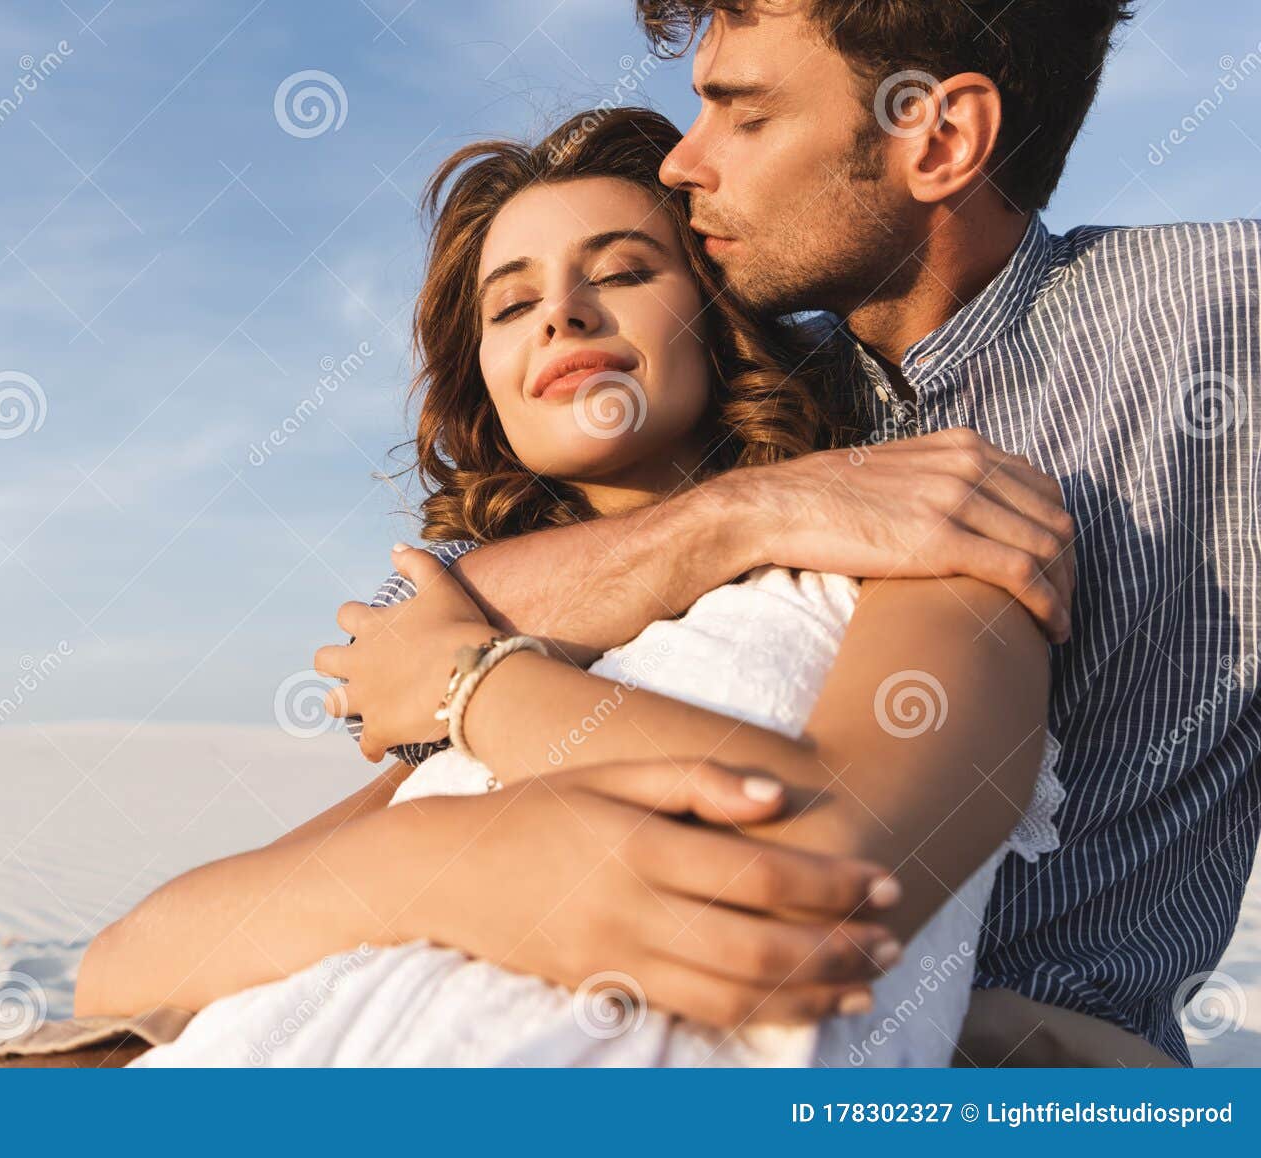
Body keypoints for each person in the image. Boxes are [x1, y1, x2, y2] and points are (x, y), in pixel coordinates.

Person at [344, 0, 1259, 1064]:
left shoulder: (1219, 325)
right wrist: (753, 511)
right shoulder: (760, 381)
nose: (685, 165)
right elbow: (405, 637)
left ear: (940, 137)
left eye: (744, 114)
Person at [78, 106, 1064, 1066]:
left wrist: (478, 687)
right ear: (487, 385)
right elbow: (124, 967)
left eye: (626, 271)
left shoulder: (922, 543)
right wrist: (455, 865)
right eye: (510, 305)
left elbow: (832, 868)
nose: (561, 313)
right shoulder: (508, 648)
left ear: (722, 318)